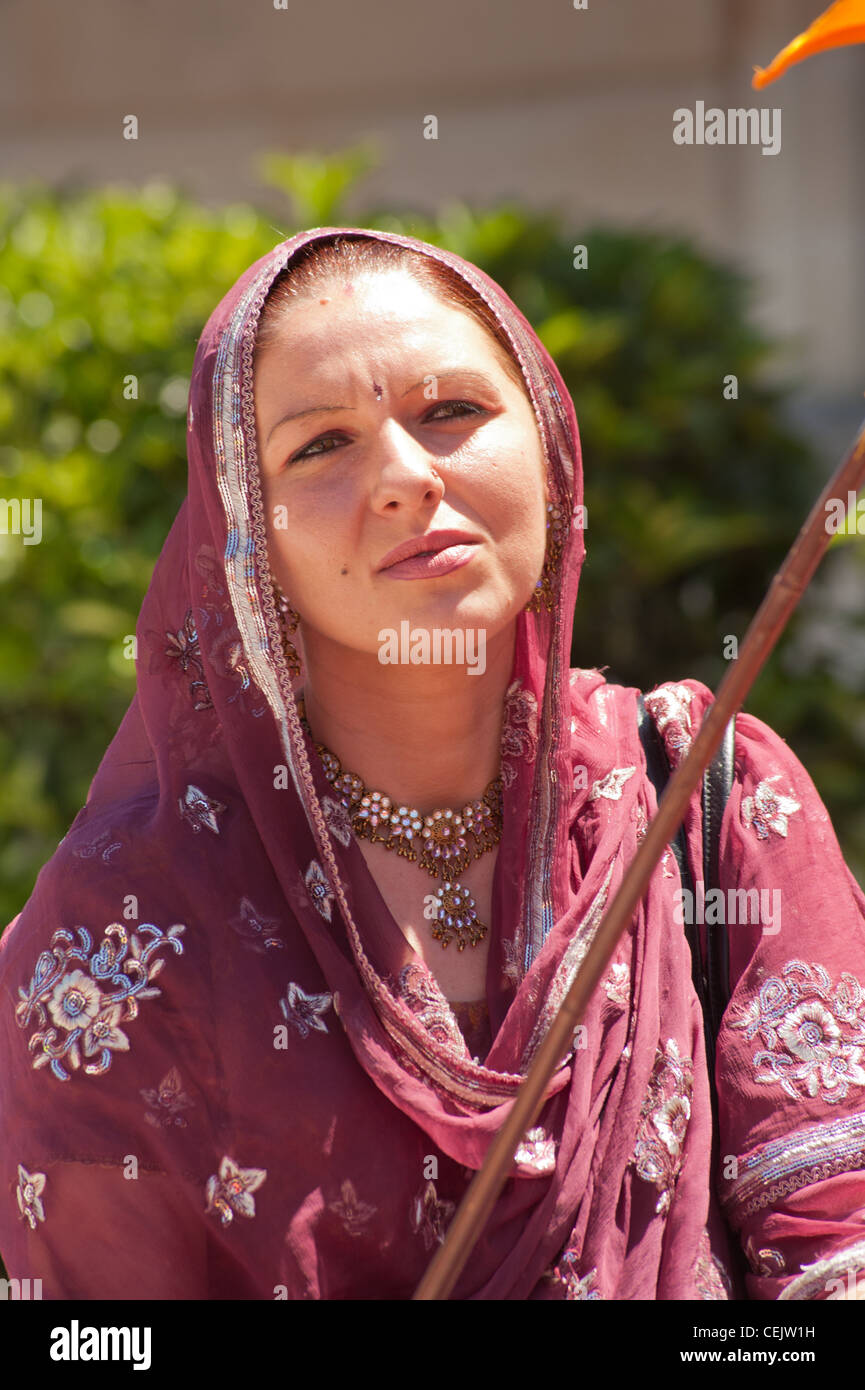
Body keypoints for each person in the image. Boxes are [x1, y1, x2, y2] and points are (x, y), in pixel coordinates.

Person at [1, 226, 865, 1301]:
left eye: (451, 412)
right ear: (242, 532)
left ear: (547, 447)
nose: (406, 477)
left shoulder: (709, 804)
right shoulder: (120, 942)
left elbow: (835, 1249)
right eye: (320, 446)